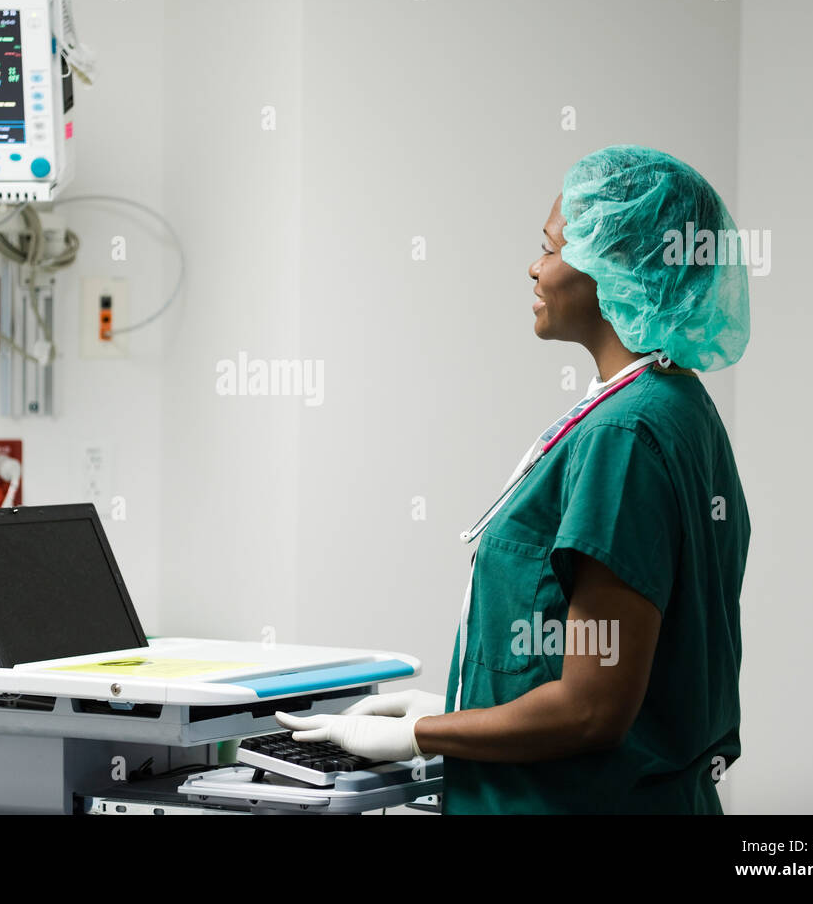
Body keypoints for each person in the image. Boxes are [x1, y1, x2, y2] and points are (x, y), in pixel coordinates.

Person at [278, 145, 752, 813]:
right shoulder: (673, 406)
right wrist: (462, 708)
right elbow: (602, 668)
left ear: (612, 266)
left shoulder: (627, 436)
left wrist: (420, 733)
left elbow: (592, 708)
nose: (535, 267)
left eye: (551, 248)